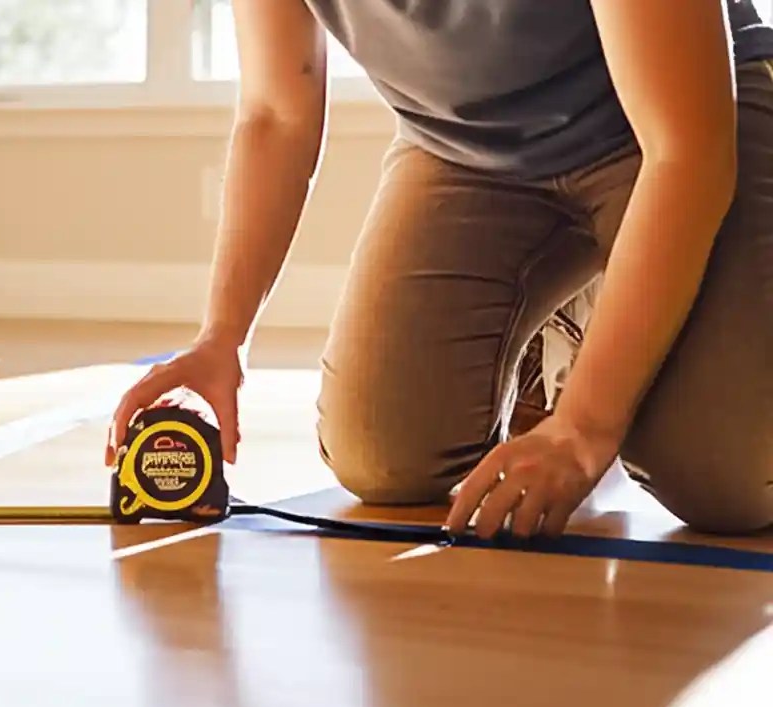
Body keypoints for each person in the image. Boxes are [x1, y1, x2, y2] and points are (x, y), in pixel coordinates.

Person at [105, 0, 773, 539]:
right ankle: (565, 329)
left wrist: (586, 425)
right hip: (464, 152)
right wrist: (222, 336)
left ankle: (613, 320)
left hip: (672, 126)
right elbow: (277, 111)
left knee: (725, 481)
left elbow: (686, 152)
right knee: (382, 456)